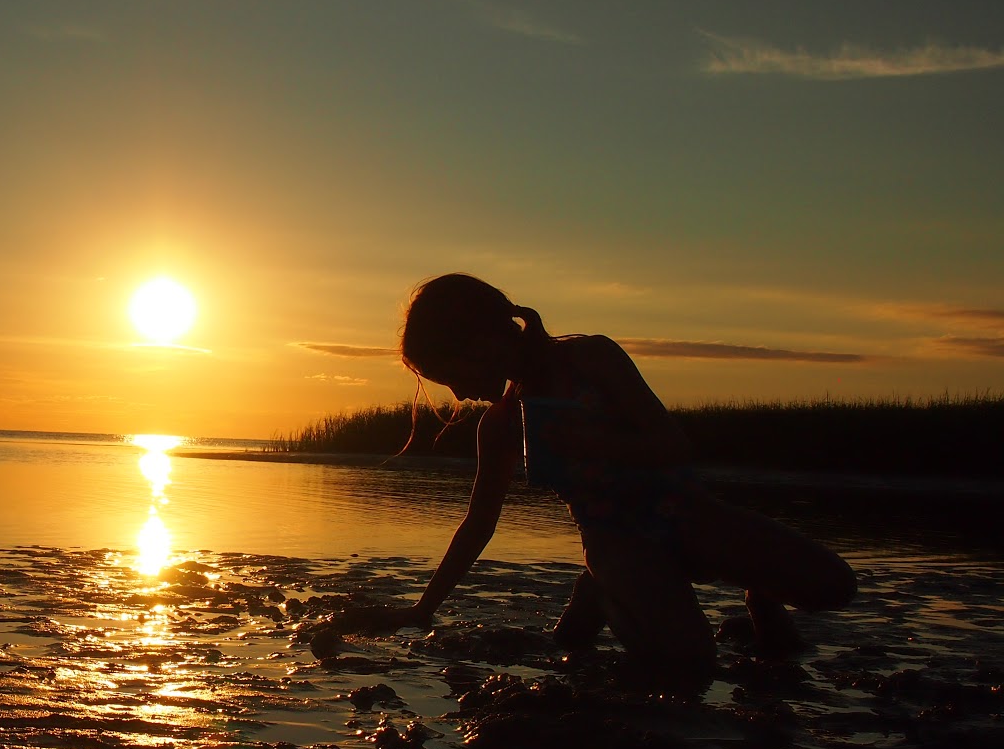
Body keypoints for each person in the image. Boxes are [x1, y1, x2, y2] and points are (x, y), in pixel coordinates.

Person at [340, 273, 856, 692]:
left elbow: (672, 445)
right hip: (616, 540)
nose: (455, 393)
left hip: (688, 513)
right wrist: (421, 609)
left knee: (834, 585)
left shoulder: (591, 357)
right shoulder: (500, 423)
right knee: (689, 668)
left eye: (448, 374)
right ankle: (606, 587)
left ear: (481, 343)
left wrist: (593, 444)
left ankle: (755, 596)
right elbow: (478, 523)